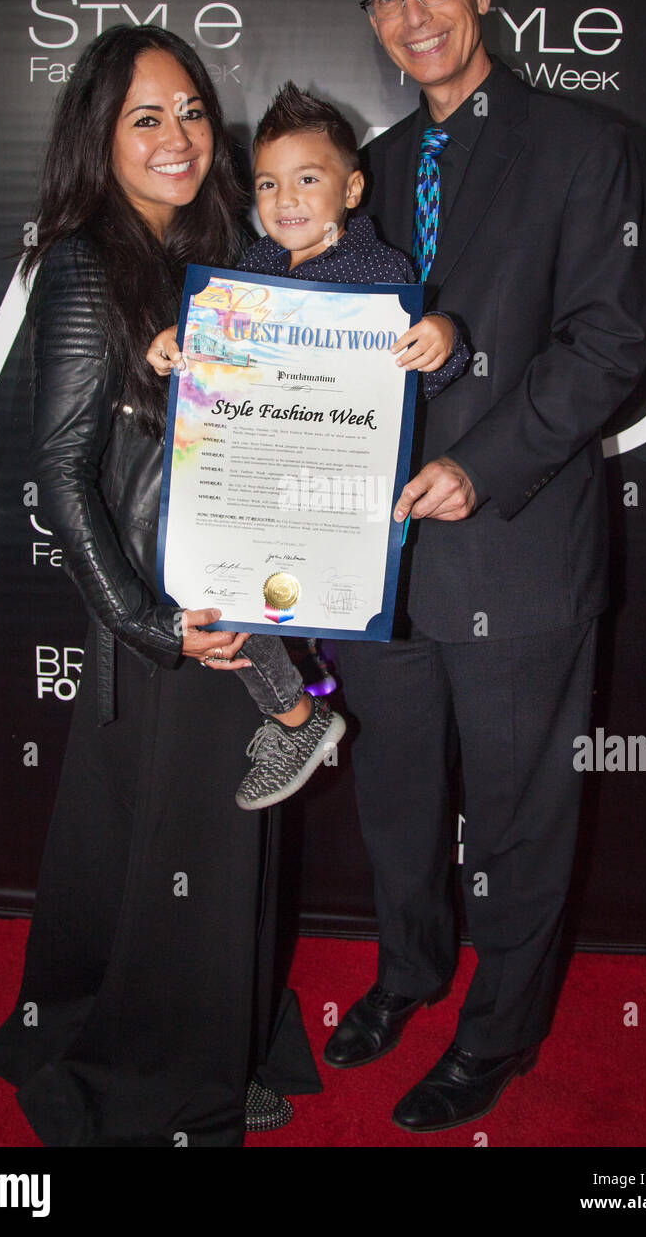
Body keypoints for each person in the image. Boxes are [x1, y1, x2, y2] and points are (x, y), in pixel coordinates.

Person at [319, 0, 646, 1132]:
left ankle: (497, 1036)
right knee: (397, 801)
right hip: (380, 555)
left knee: (515, 821)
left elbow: (608, 340)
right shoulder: (378, 164)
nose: (411, 14)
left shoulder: (586, 143)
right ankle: (406, 974)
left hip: (511, 547)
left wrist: (484, 461)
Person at [0, 25, 319, 1147]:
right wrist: (152, 626)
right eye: (144, 118)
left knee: (190, 842)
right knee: (193, 849)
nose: (176, 137)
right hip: (174, 612)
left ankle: (203, 1031)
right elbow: (61, 471)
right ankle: (172, 1075)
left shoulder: (204, 249)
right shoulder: (86, 263)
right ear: (100, 137)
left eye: (188, 111)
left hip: (224, 591)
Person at [148, 80, 471, 811]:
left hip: (337, 496)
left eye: (308, 178)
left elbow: (433, 377)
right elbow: (210, 363)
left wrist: (443, 340)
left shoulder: (383, 275)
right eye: (268, 183)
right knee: (210, 589)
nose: (285, 198)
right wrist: (178, 343)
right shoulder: (247, 270)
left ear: (352, 188)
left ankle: (297, 716)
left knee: (307, 605)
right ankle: (294, 713)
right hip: (253, 485)